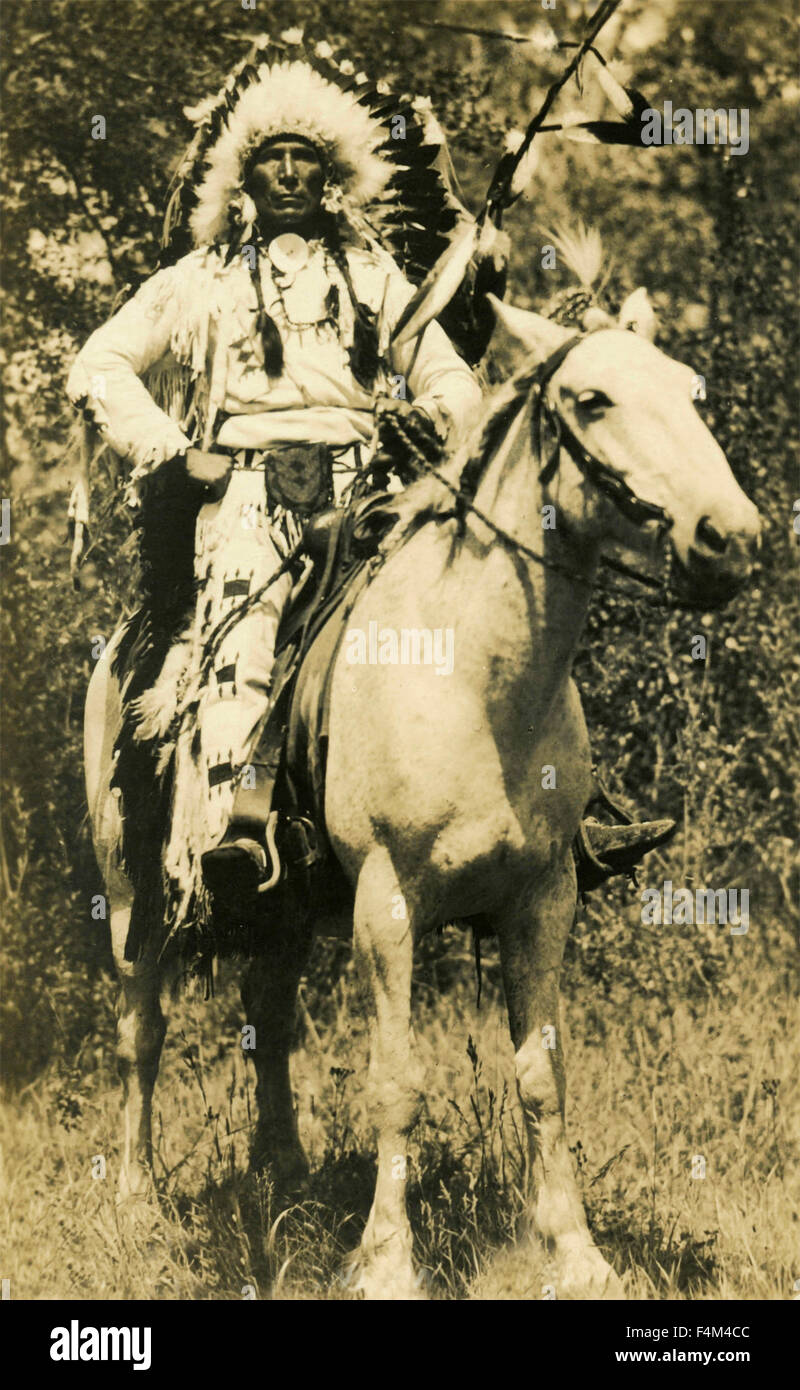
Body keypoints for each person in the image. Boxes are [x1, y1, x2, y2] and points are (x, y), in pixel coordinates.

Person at [67, 33, 672, 940]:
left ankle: (565, 813)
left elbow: (450, 374)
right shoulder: (202, 280)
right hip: (248, 494)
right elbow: (99, 364)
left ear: (331, 174)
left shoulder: (375, 277)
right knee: (246, 636)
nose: (288, 176)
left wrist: (432, 415)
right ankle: (246, 830)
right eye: (270, 160)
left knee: (488, 605)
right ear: (244, 176)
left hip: (368, 492)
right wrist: (168, 451)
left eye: (305, 160)